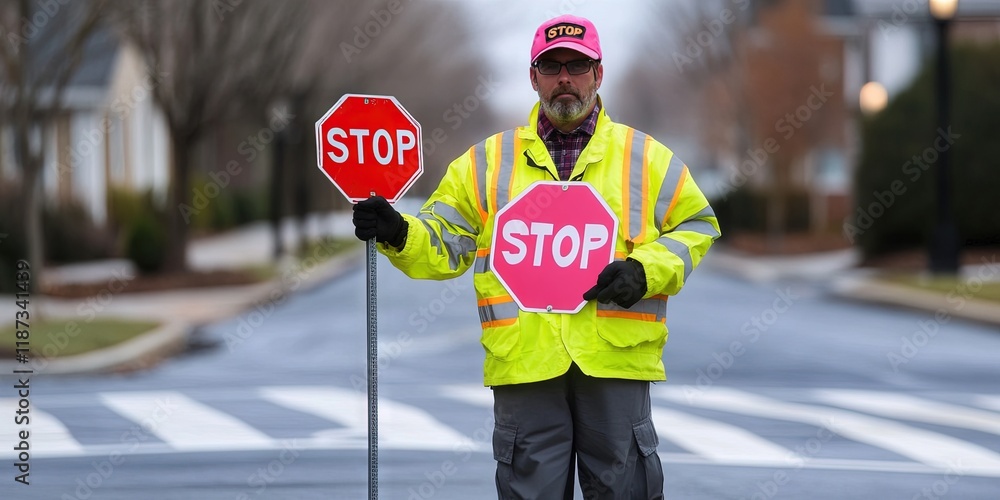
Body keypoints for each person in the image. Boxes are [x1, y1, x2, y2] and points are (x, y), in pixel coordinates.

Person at [352, 14, 719, 500]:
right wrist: (400, 232)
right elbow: (443, 242)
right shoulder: (484, 164)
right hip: (526, 368)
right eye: (551, 66)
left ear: (598, 74)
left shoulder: (646, 158)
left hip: (612, 362)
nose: (564, 78)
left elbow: (696, 224)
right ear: (533, 77)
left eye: (577, 65)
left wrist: (644, 270)